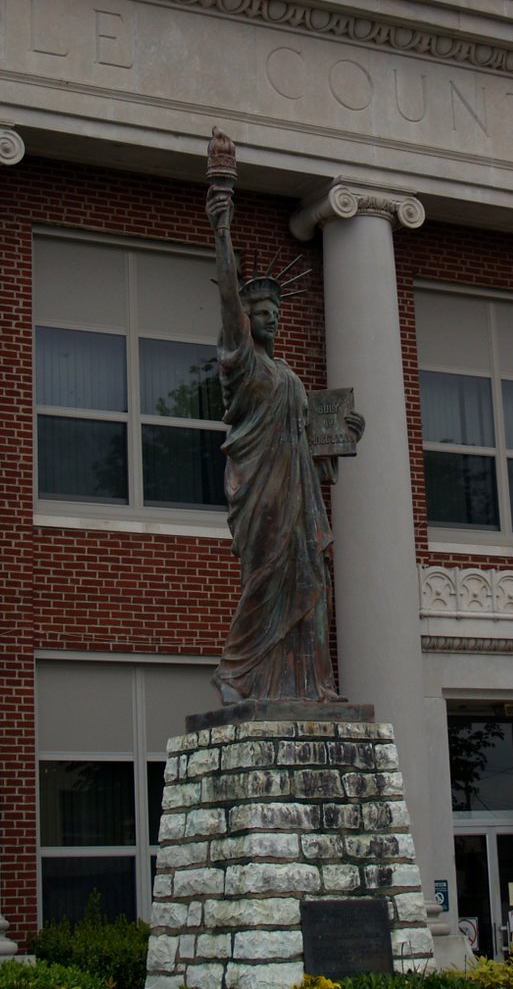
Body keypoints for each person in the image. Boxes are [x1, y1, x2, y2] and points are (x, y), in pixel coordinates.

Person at [206, 130, 361, 704]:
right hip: (263, 492)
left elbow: (311, 443)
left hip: (299, 488)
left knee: (309, 581)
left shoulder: (291, 376)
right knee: (267, 577)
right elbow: (227, 292)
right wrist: (221, 218)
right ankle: (235, 671)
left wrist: (340, 438)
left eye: (273, 312)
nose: (267, 318)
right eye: (258, 312)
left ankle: (312, 686)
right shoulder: (242, 365)